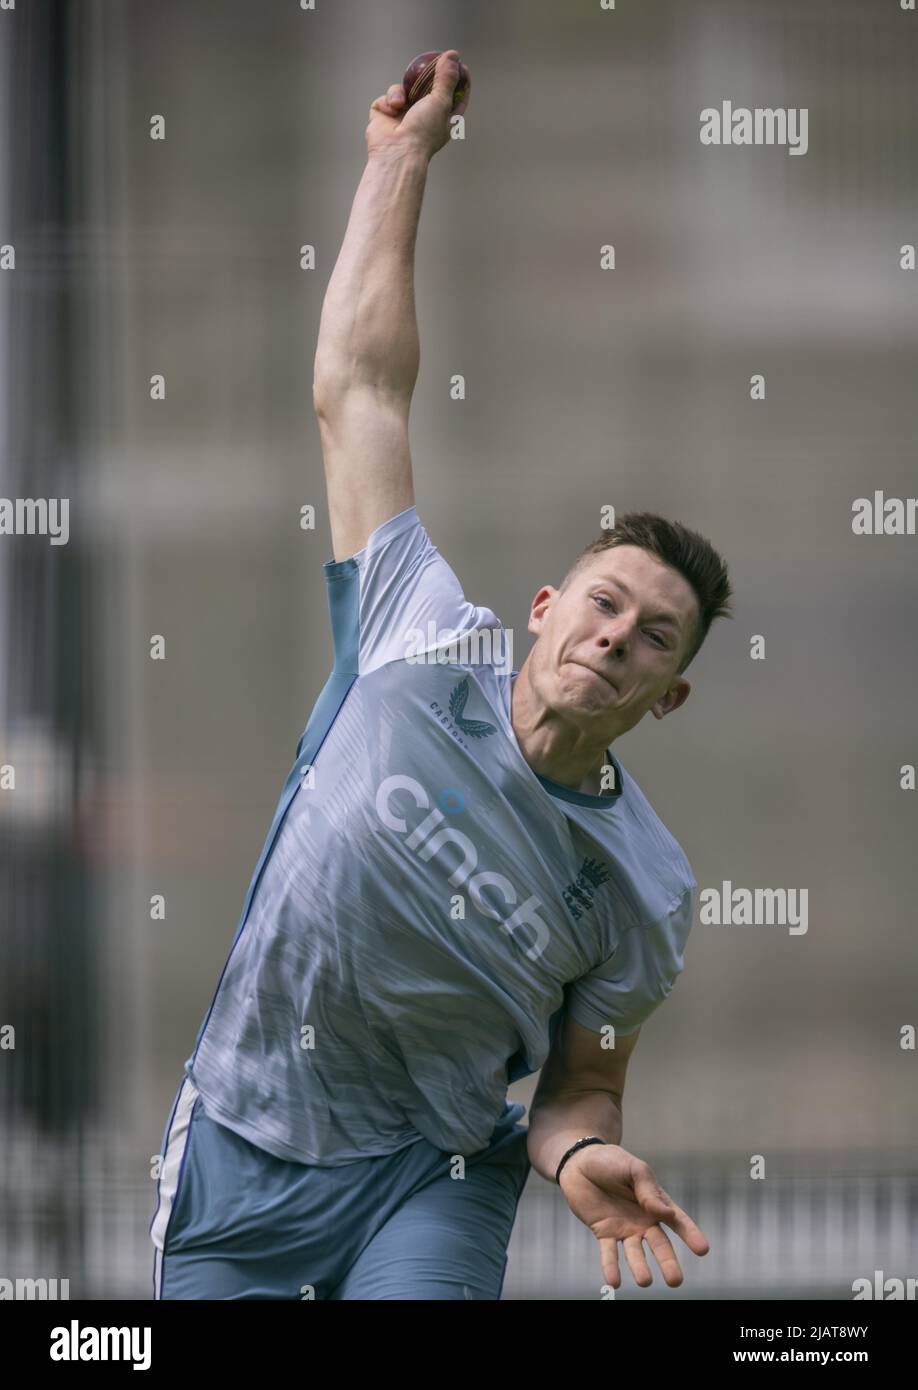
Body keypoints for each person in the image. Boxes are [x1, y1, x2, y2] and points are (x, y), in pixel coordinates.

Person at [151, 50, 728, 1301]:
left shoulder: (647, 890)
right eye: (604, 601)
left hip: (434, 1171)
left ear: (664, 697)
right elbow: (358, 388)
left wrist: (578, 1149)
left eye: (655, 639)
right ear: (542, 611)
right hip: (241, 1156)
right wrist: (401, 160)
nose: (618, 635)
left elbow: (585, 1080)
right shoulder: (420, 632)